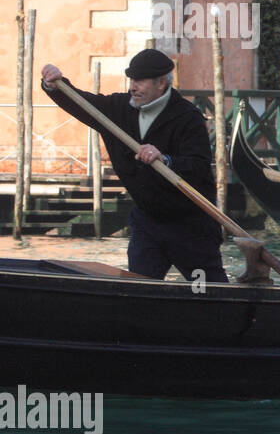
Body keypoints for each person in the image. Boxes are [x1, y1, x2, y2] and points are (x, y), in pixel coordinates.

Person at [41, 51, 229, 282]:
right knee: (138, 289)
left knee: (208, 289)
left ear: (161, 83)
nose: (133, 87)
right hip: (147, 223)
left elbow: (198, 166)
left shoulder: (188, 117)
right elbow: (82, 104)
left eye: (140, 81)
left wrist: (166, 159)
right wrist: (54, 85)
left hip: (190, 225)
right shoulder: (118, 109)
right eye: (131, 80)